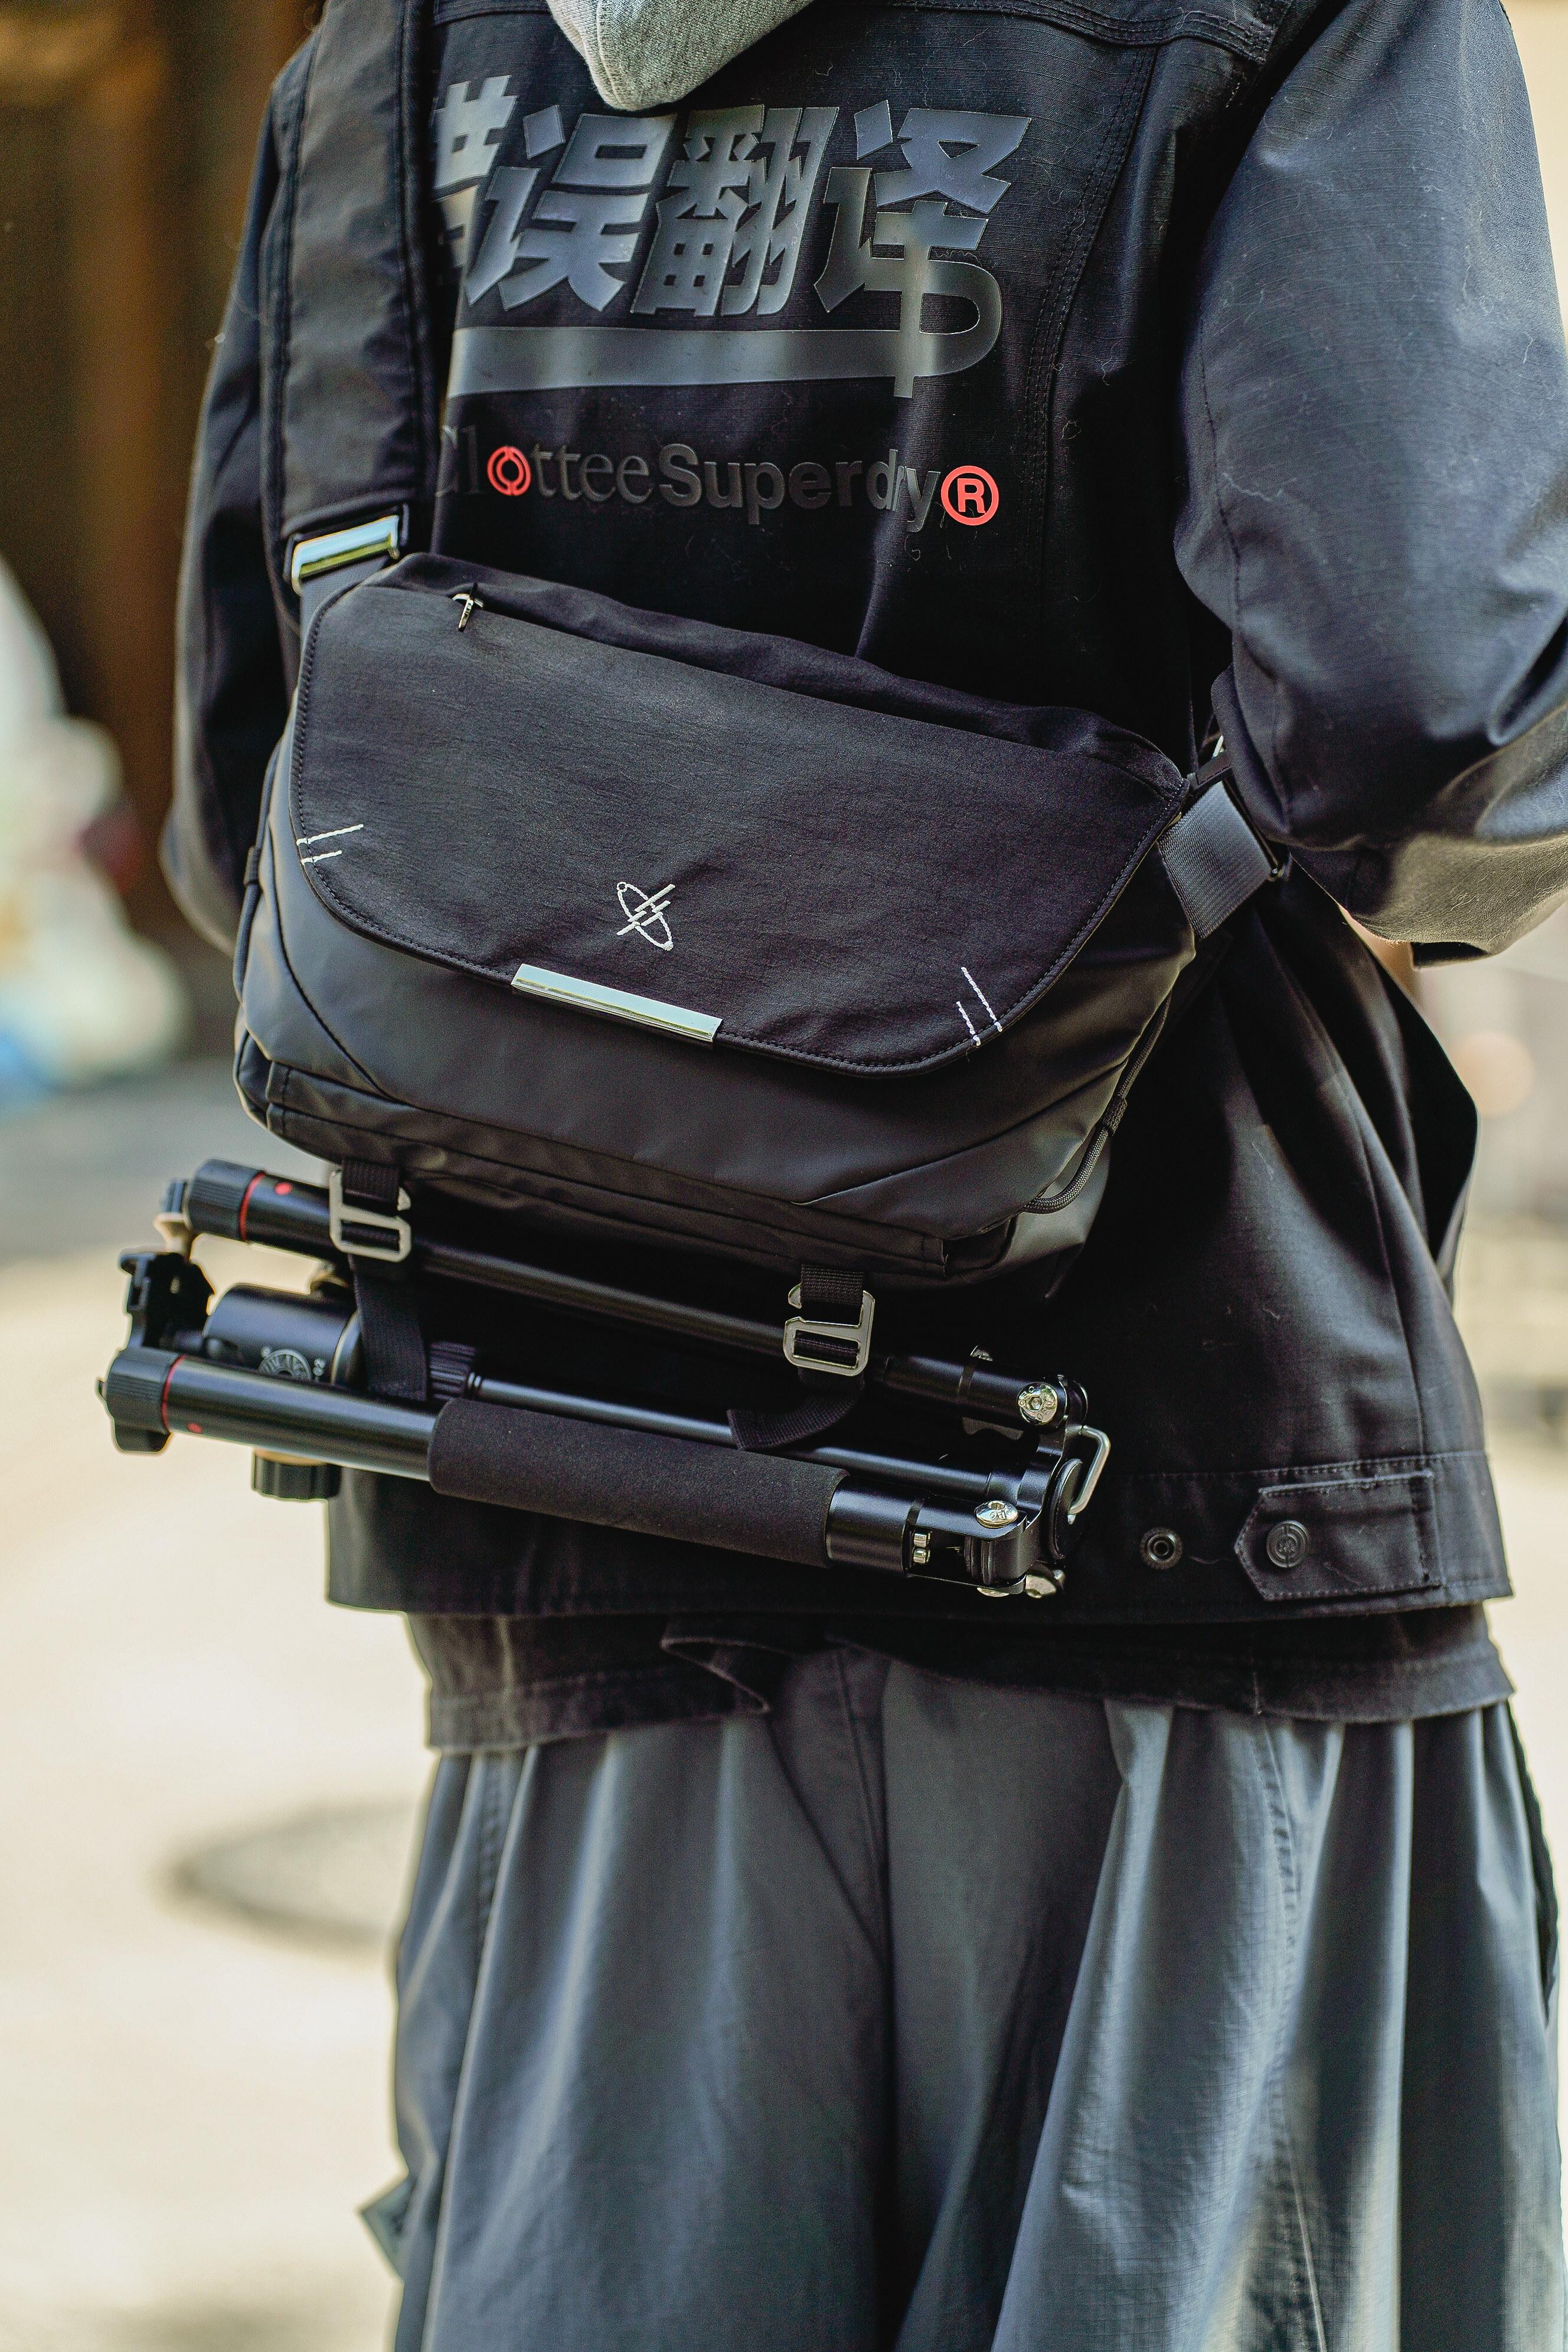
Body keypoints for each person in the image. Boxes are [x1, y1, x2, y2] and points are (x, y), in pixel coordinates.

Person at [168, 0, 1568, 2341]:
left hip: (576, 1497)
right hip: (1182, 1486)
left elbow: (261, 805)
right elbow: (1422, 727)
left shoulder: (396, 54)